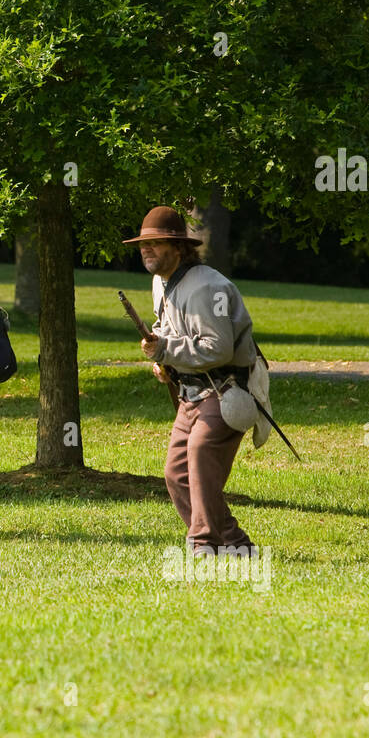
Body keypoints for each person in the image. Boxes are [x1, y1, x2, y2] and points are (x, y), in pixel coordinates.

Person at [131, 206, 258, 556]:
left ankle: (204, 543)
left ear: (179, 247)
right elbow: (168, 332)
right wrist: (165, 361)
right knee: (176, 474)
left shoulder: (208, 287)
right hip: (191, 394)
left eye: (155, 244)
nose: (147, 250)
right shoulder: (161, 282)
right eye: (144, 245)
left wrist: (165, 351)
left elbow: (216, 350)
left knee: (200, 458)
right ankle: (236, 544)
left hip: (224, 389)